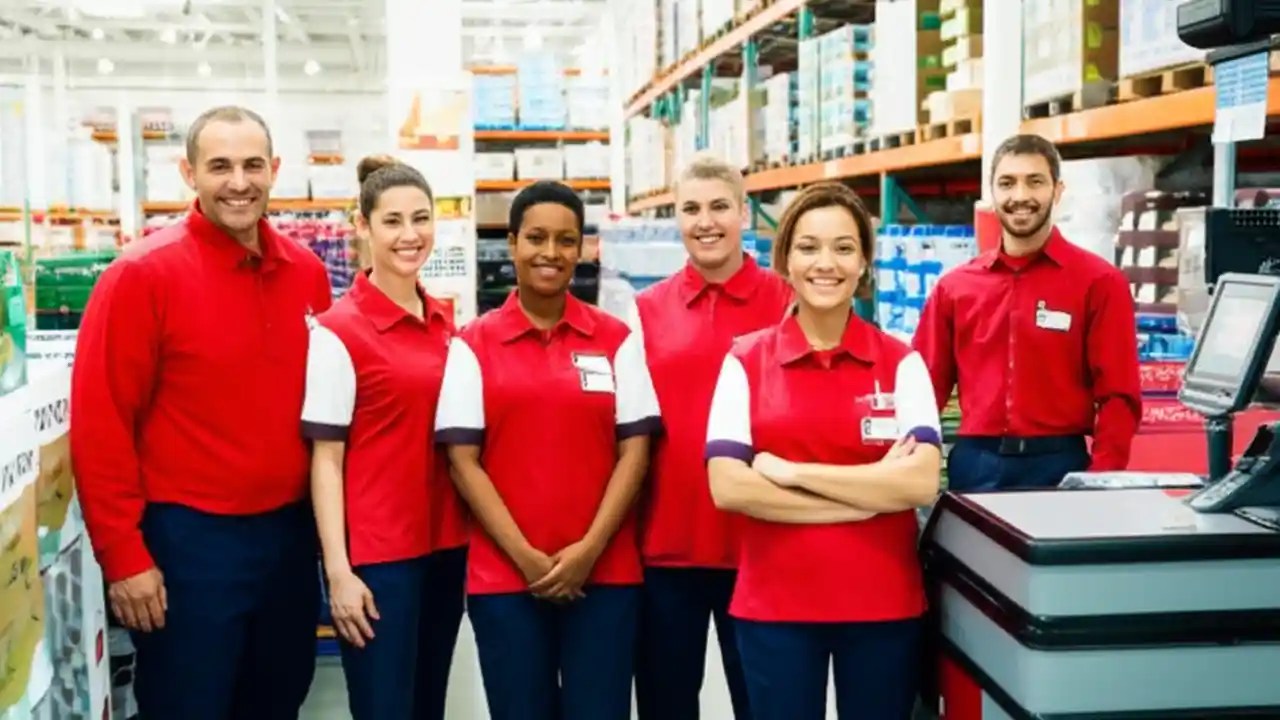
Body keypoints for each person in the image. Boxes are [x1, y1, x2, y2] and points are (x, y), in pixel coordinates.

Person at [70, 105, 333, 719]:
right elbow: (101, 421)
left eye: (250, 166)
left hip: (289, 541)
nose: (238, 182)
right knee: (190, 704)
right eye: (219, 167)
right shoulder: (141, 276)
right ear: (189, 173)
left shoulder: (308, 274)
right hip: (188, 544)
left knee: (278, 698)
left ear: (275, 169)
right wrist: (124, 557)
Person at [705, 181, 942, 720]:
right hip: (775, 605)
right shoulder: (744, 362)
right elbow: (729, 486)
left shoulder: (901, 363)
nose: (825, 264)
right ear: (785, 260)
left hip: (883, 603)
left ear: (863, 262)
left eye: (843, 247)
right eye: (808, 247)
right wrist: (868, 496)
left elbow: (920, 483)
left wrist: (789, 472)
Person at [434, 180, 661, 720]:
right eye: (536, 237)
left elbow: (636, 451)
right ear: (512, 243)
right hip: (504, 578)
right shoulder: (472, 345)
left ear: (582, 248)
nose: (551, 253)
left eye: (566, 240)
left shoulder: (617, 339)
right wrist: (527, 559)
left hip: (604, 577)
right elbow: (462, 462)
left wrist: (586, 552)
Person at [301, 155, 467, 720]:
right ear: (363, 227)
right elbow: (325, 460)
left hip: (446, 548)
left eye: (421, 219)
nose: (409, 234)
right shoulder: (337, 332)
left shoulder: (445, 324)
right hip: (378, 561)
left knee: (428, 706)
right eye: (392, 221)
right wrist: (339, 571)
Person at [629, 153, 790, 720]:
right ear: (675, 217)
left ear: (744, 213)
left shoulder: (787, 301)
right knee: (666, 702)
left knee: (765, 702)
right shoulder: (647, 310)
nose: (706, 221)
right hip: (669, 542)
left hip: (762, 543)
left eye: (720, 206)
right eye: (691, 209)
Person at [913, 133, 1143, 492]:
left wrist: (1102, 479)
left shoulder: (1099, 283)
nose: (1020, 196)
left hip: (1059, 465)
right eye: (1007, 183)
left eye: (1034, 181)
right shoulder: (954, 289)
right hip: (975, 466)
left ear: (1057, 190)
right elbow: (924, 389)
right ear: (992, 194)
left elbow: (1119, 395)